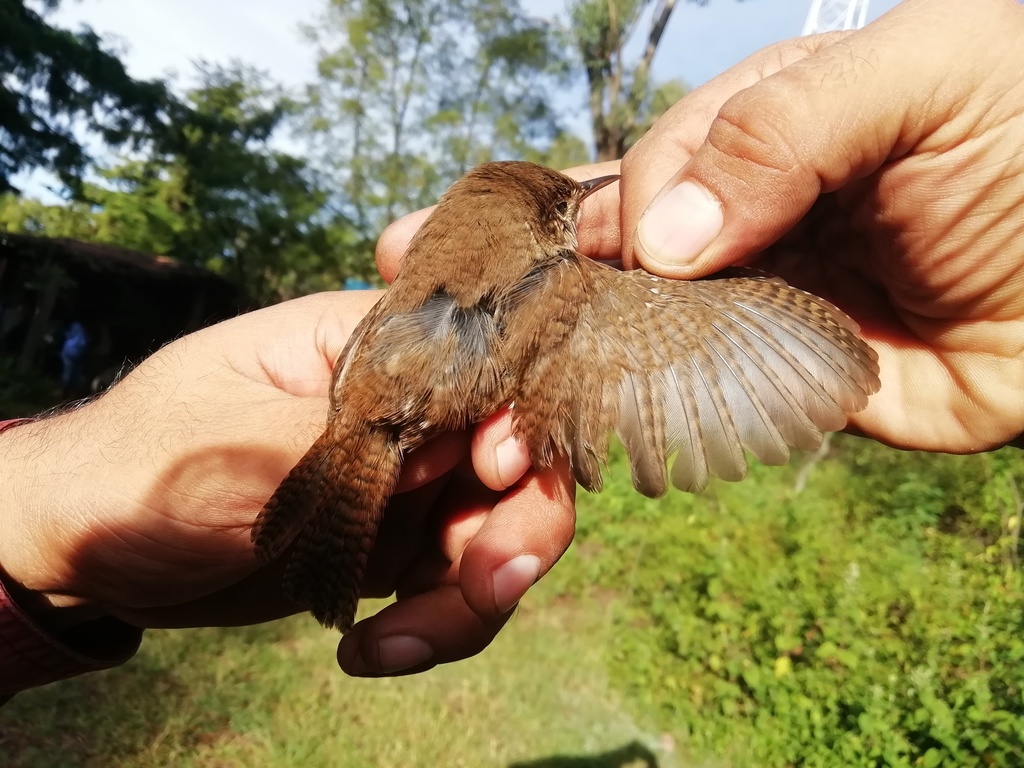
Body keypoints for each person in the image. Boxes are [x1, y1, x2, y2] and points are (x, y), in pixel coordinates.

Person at [1, 0, 1021, 699]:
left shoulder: (458, 250)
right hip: (399, 412)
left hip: (366, 394)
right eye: (568, 201)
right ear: (546, 216)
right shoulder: (583, 292)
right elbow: (726, 349)